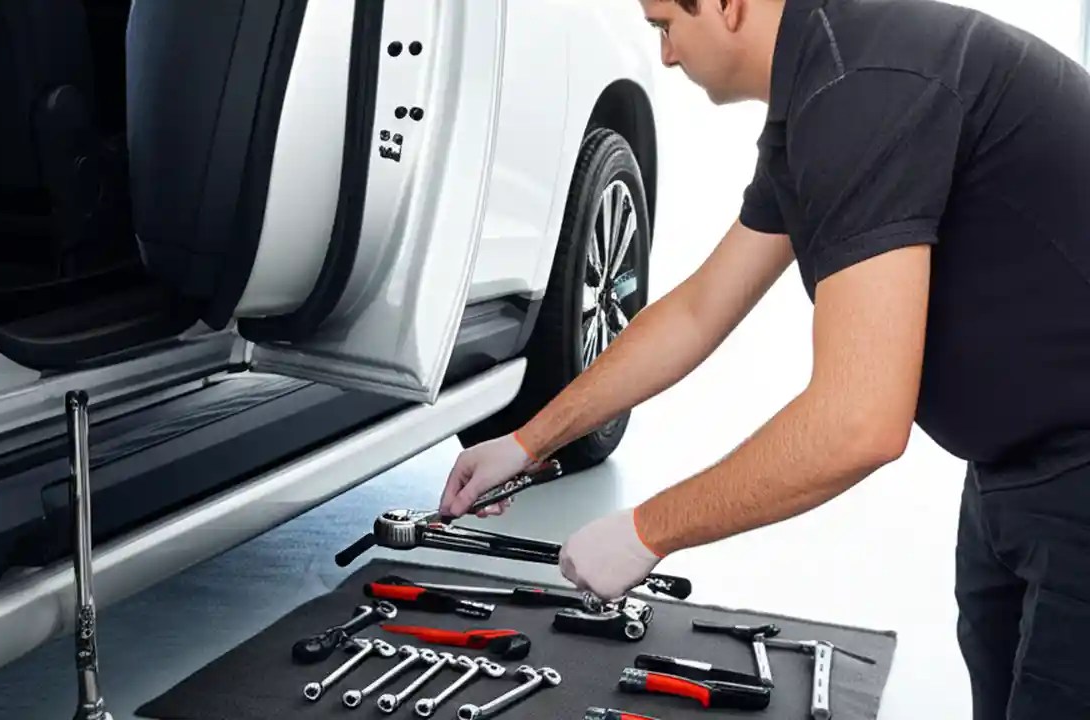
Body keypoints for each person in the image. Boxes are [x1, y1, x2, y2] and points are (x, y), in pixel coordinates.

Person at [438, 0, 1090, 717]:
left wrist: (645, 531)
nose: (665, 56)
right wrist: (529, 442)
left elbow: (858, 424)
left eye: (664, 26)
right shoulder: (819, 88)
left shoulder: (860, 87)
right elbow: (698, 310)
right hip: (1015, 466)